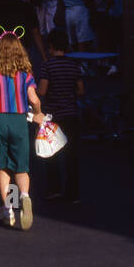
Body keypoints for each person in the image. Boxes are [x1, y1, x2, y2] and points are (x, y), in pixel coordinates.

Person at [0, 31, 44, 229]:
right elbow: (34, 99)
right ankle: (24, 196)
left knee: (4, 167)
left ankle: (8, 209)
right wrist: (38, 113)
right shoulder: (25, 75)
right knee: (21, 167)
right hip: (19, 122)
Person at [37, 29, 84, 204]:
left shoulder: (48, 66)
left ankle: (54, 189)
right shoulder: (73, 65)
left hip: (53, 115)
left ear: (50, 47)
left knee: (52, 152)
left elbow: (42, 90)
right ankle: (73, 193)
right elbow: (81, 90)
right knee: (72, 155)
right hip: (71, 114)